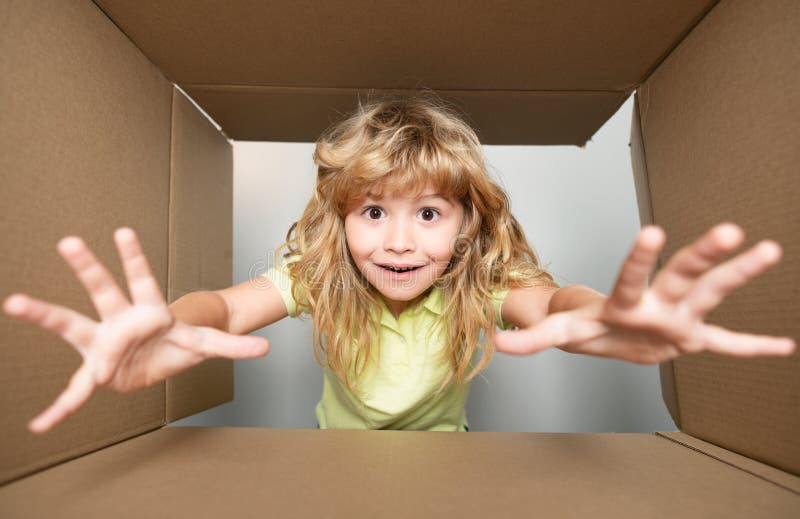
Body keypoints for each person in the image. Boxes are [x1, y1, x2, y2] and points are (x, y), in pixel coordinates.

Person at [2, 96, 795, 434]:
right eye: (373, 211)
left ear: (467, 223)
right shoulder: (323, 277)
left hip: (442, 470)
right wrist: (172, 325)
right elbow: (227, 306)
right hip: (333, 462)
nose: (399, 242)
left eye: (429, 212)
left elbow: (550, 304)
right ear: (339, 219)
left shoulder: (480, 282)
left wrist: (598, 317)